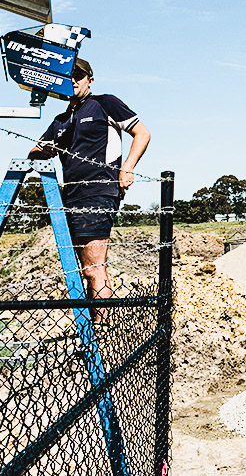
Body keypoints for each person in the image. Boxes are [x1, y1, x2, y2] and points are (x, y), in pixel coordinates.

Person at [28, 57, 150, 318]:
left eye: (79, 76)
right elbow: (36, 149)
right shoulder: (60, 120)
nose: (73, 80)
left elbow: (142, 133)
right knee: (82, 267)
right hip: (69, 196)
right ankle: (92, 327)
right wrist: (44, 150)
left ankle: (102, 328)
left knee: (93, 268)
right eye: (68, 76)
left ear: (89, 80)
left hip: (98, 191)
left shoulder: (105, 103)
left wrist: (127, 167)